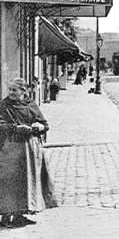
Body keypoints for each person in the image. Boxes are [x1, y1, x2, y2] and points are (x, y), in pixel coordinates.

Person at [0, 78, 57, 228]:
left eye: (14, 90)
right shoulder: (4, 105)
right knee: (10, 182)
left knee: (27, 181)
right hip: (11, 148)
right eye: (10, 89)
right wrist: (15, 128)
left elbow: (45, 124)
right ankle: (6, 217)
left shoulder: (31, 105)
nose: (11, 93)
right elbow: (1, 124)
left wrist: (40, 127)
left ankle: (19, 215)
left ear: (23, 92)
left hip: (30, 150)